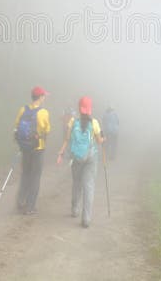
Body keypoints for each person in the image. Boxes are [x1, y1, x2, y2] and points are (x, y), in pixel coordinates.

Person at [57, 96, 103, 228]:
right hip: (90, 158)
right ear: (90, 109)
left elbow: (67, 140)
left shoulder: (72, 121)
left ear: (79, 108)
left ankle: (74, 209)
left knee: (76, 183)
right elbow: (99, 141)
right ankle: (86, 219)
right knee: (89, 186)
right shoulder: (94, 123)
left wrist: (61, 153)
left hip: (76, 157)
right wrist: (103, 138)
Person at [13, 86, 51, 215]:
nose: (44, 97)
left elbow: (17, 126)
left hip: (25, 147)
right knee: (35, 177)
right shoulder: (44, 112)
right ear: (40, 97)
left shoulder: (23, 109)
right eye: (44, 96)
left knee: (25, 174)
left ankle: (21, 200)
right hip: (38, 148)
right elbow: (47, 130)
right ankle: (30, 207)